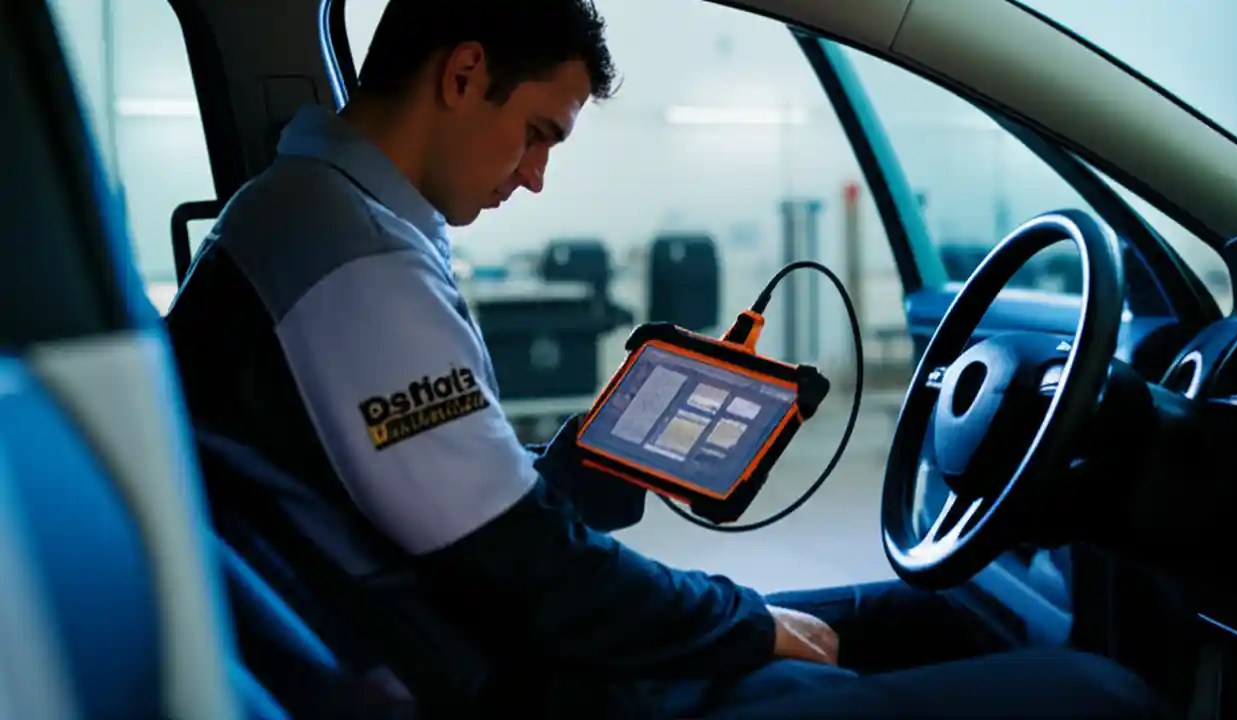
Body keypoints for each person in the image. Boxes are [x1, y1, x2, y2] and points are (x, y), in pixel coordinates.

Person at [165, 0, 1168, 717]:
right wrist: (740, 623)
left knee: (933, 619)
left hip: (463, 633)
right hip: (506, 672)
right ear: (463, 73)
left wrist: (586, 463)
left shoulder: (312, 218)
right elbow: (529, 576)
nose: (536, 177)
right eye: (534, 135)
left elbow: (451, 521)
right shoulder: (354, 263)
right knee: (1100, 692)